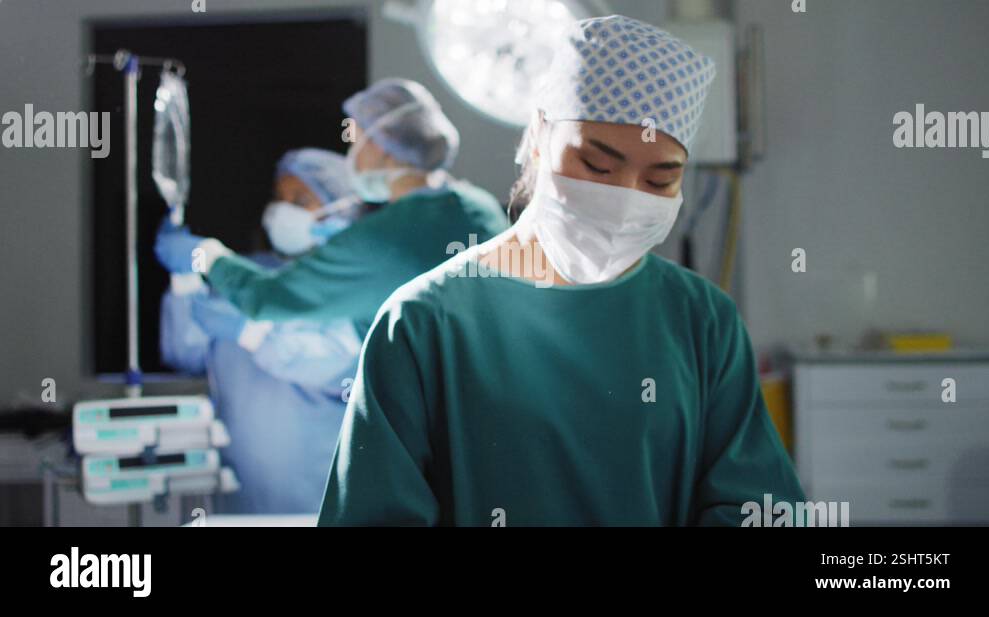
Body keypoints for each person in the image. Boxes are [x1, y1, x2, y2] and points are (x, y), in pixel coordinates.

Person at [318, 15, 806, 526]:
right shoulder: (424, 324)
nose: (624, 198)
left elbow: (764, 510)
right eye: (596, 166)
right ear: (537, 138)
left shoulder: (702, 320)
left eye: (660, 180)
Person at [154, 79, 509, 342]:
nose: (351, 151)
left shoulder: (375, 241)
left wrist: (208, 255)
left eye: (356, 138)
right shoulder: (481, 208)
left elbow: (268, 299)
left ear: (385, 147)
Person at [160, 148, 369, 514]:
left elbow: (338, 369)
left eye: (300, 200)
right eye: (278, 198)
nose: (281, 210)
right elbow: (185, 354)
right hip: (238, 498)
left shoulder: (351, 288)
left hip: (318, 498)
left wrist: (250, 332)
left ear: (342, 210)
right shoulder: (243, 276)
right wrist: (184, 278)